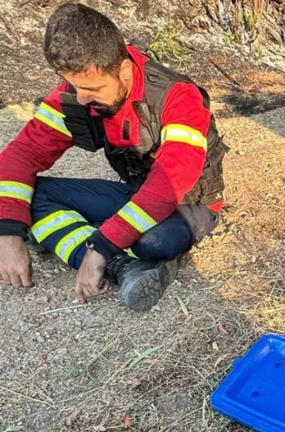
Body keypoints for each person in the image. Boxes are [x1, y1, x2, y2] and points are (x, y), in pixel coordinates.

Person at [0, 4, 226, 311]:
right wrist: (8, 230)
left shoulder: (178, 96)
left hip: (189, 204)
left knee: (154, 241)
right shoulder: (80, 91)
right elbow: (23, 154)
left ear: (123, 71)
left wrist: (100, 246)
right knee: (29, 196)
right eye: (75, 87)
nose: (81, 99)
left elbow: (168, 186)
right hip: (136, 196)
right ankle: (123, 267)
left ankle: (110, 248)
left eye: (91, 89)